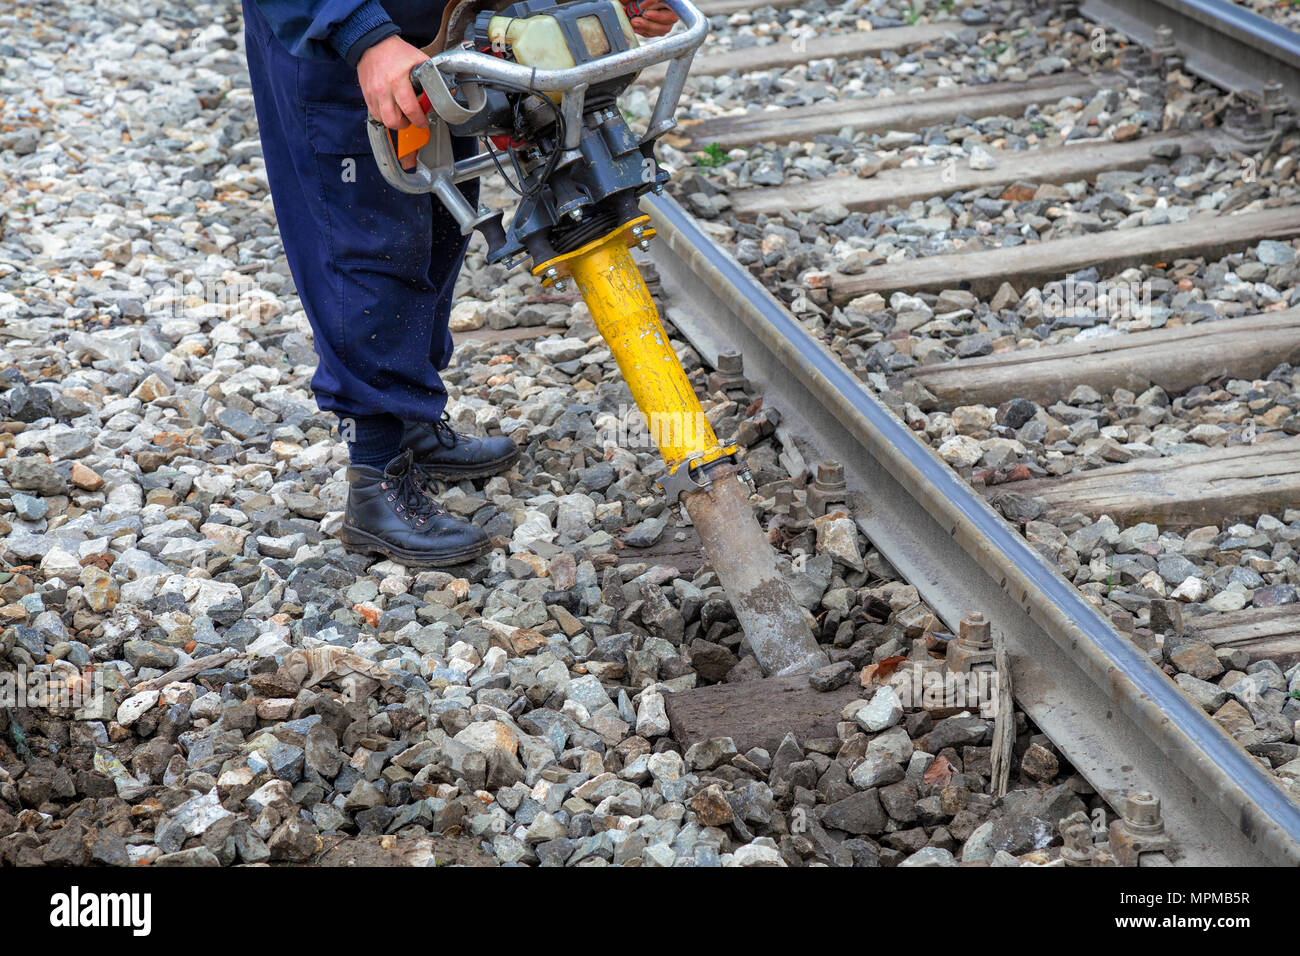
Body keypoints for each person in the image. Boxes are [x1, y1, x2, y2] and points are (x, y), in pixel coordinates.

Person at [241, 0, 678, 567]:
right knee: (365, 249)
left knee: (436, 222)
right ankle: (373, 482)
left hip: (443, 31)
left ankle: (411, 425)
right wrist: (363, 35)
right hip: (340, 44)